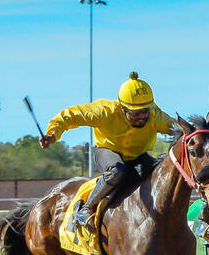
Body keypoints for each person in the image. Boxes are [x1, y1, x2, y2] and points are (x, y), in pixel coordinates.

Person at [40, 72, 176, 233]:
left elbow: (179, 128)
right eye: (135, 113)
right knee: (117, 171)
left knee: (163, 166)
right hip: (108, 151)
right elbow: (69, 116)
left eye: (145, 111)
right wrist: (53, 134)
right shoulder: (104, 112)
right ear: (122, 107)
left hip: (138, 157)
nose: (142, 117)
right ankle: (86, 208)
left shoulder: (155, 115)